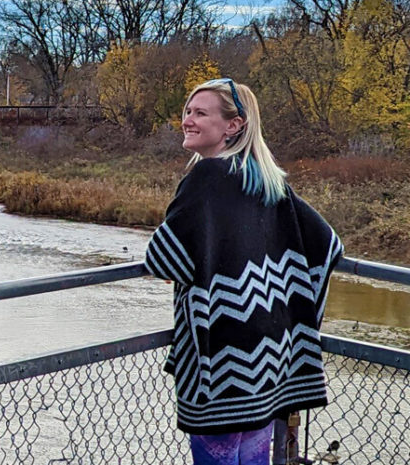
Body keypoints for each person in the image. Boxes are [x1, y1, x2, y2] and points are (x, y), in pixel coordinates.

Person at [143, 78, 343, 465]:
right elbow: (327, 245)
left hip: (221, 358)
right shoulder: (267, 180)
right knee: (252, 459)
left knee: (216, 458)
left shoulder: (206, 178)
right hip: (269, 356)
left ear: (233, 125)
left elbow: (163, 259)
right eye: (187, 111)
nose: (187, 120)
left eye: (200, 113)